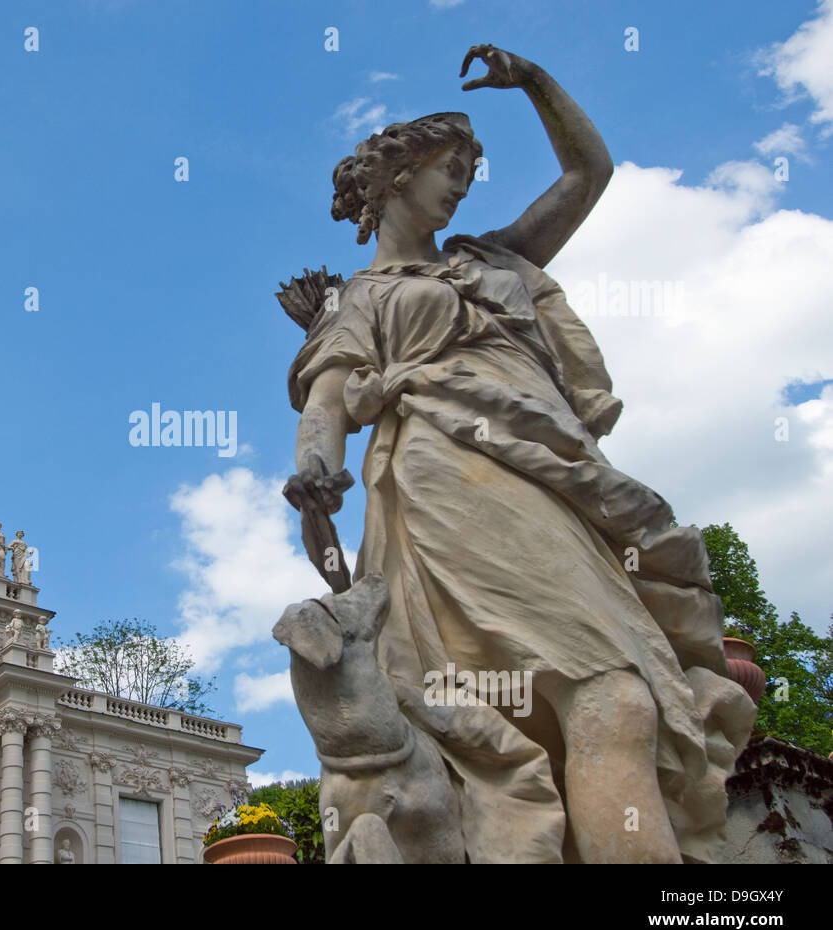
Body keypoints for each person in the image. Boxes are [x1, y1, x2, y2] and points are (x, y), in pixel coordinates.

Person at [283, 45, 753, 863]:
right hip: (448, 477)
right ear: (398, 177)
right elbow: (328, 402)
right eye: (452, 165)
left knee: (619, 699)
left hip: (554, 474)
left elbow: (588, 175)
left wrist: (535, 83)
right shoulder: (363, 299)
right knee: (611, 690)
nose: (465, 182)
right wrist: (315, 474)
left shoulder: (498, 258)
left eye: (473, 166)